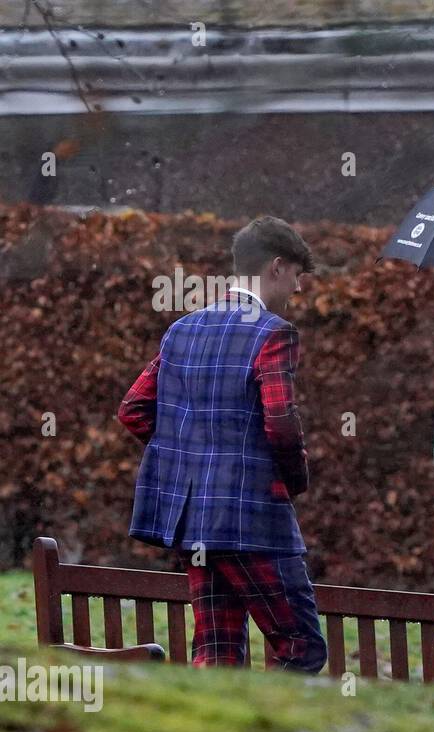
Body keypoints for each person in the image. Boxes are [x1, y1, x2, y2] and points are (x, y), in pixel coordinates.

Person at [118, 216, 326, 672]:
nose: (295, 290)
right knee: (300, 646)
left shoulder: (182, 330)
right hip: (253, 517)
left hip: (193, 522)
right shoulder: (274, 332)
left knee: (215, 651)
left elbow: (133, 409)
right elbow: (282, 426)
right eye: (296, 276)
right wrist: (294, 482)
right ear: (276, 267)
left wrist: (188, 457)